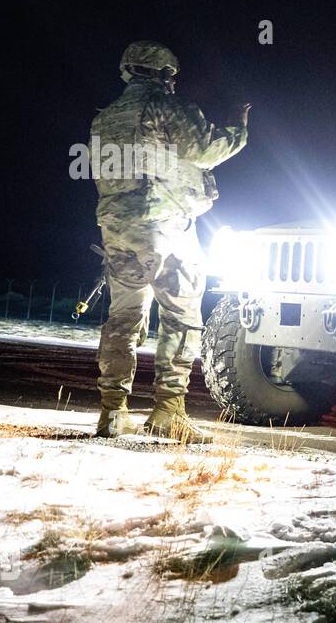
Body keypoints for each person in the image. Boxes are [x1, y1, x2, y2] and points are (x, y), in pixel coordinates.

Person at [90, 40, 249, 441]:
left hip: (117, 230)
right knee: (180, 319)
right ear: (165, 74)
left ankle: (111, 412)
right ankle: (168, 412)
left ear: (128, 71)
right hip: (166, 227)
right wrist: (238, 128)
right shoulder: (167, 106)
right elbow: (206, 149)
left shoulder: (105, 118)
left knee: (123, 319)